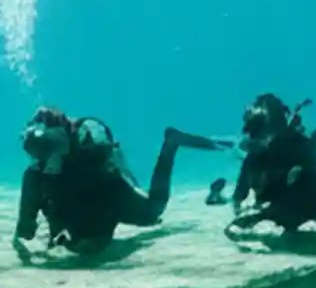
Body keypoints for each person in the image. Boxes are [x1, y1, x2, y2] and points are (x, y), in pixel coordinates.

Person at [14, 107, 228, 256]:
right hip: (87, 207)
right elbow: (26, 227)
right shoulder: (34, 176)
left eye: (45, 150)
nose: (42, 159)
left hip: (111, 195)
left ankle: (171, 144)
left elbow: (107, 191)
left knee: (154, 209)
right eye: (36, 153)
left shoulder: (90, 150)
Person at [225, 94, 316, 237]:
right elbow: (240, 193)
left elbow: (311, 164)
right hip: (281, 207)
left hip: (315, 202)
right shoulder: (253, 159)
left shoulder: (296, 144)